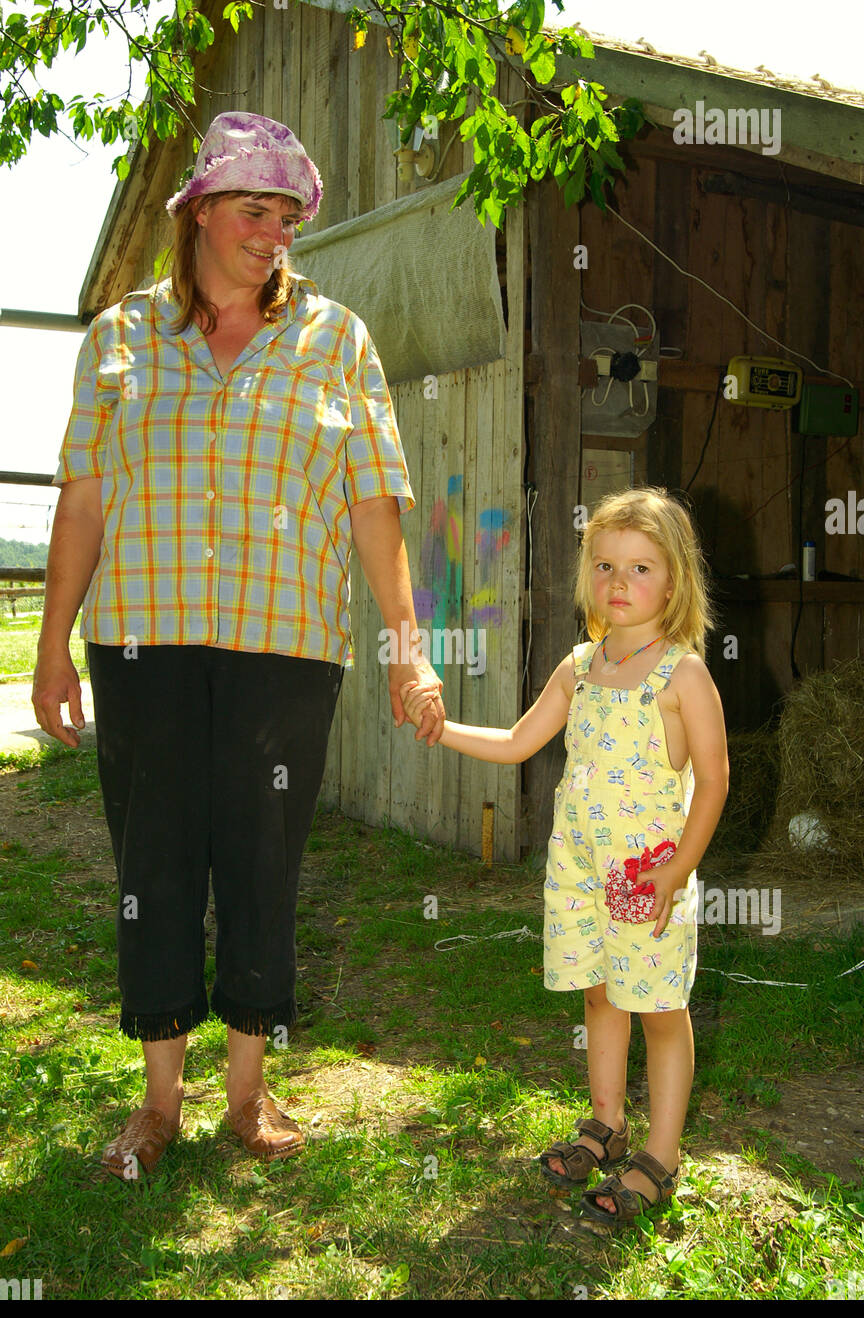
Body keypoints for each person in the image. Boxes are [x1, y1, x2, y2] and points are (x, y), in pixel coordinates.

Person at [32, 111, 445, 1180]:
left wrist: (411, 646)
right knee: (153, 865)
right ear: (201, 213)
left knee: (262, 867)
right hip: (143, 643)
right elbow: (81, 504)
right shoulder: (120, 337)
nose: (274, 231)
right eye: (253, 210)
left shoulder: (337, 341)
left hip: (285, 649)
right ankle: (158, 1103)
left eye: (288, 214)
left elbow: (374, 510)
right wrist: (51, 642)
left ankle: (250, 1096)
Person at [400, 486, 728, 1226]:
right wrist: (443, 727)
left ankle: (662, 1157)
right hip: (578, 872)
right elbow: (519, 742)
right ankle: (605, 1127)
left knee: (660, 1010)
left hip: (647, 879)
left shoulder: (682, 675)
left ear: (674, 580)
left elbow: (715, 781)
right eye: (606, 565)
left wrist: (678, 869)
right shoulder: (578, 667)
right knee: (600, 995)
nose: (620, 582)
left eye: (641, 568)